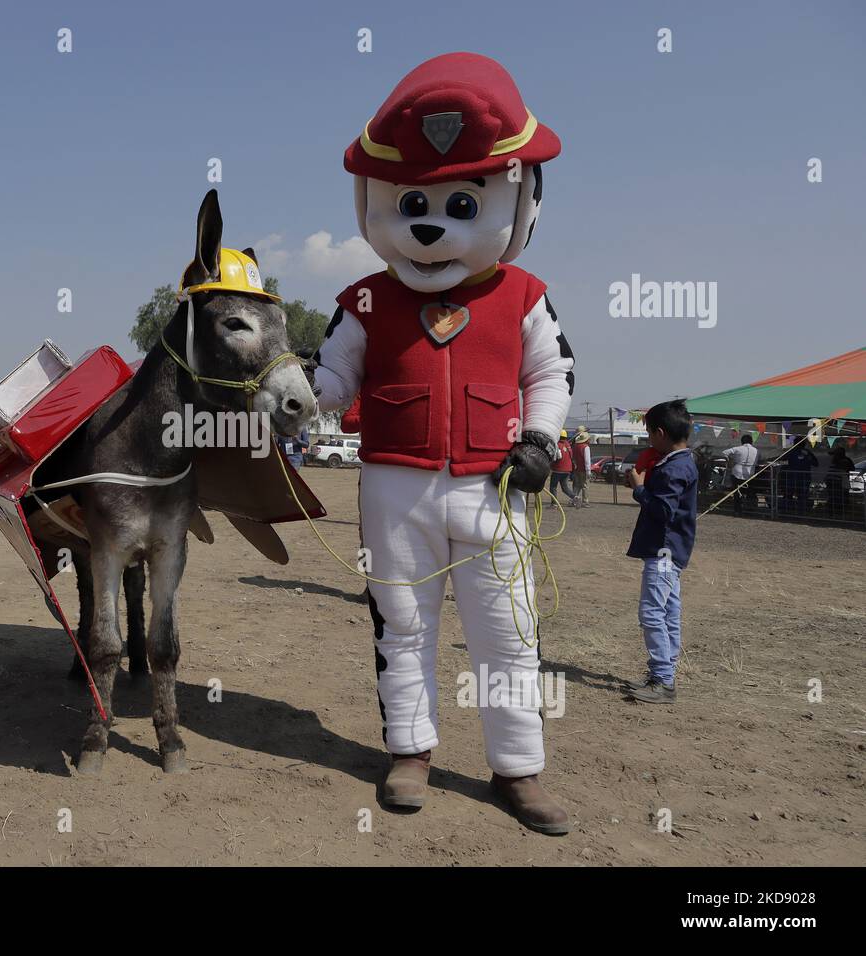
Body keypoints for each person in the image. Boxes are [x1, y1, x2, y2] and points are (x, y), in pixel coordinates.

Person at [312, 53, 573, 832]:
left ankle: (517, 767)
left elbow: (551, 374)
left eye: (464, 201)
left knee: (507, 630)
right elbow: (331, 383)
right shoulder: (362, 299)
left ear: (515, 197)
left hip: (495, 488)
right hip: (395, 484)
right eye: (414, 201)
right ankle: (409, 749)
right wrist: (285, 396)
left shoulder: (526, 295)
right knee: (402, 621)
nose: (431, 221)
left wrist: (541, 441)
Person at [625, 400, 698, 704]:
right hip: (672, 551)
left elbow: (663, 510)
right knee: (668, 613)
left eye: (649, 434)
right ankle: (663, 672)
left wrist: (640, 488)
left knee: (652, 613)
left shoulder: (674, 468)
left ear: (659, 432)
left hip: (663, 552)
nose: (649, 440)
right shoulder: (683, 462)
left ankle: (664, 680)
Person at [722, 434, 759, 515]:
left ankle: (737, 510)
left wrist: (729, 460)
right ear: (751, 442)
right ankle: (750, 510)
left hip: (737, 473)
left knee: (737, 493)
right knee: (750, 492)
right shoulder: (756, 450)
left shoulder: (738, 449)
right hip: (750, 474)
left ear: (742, 442)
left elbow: (724, 452)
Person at [782, 441, 817, 514]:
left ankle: (790, 512)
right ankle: (799, 512)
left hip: (795, 479)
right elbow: (815, 463)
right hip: (800, 479)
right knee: (797, 496)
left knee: (791, 496)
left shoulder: (792, 452)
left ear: (795, 443)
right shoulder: (794, 452)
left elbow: (816, 463)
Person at [548, 430, 575, 507]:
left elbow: (555, 457)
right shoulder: (568, 444)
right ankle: (574, 497)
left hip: (558, 469)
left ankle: (554, 504)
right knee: (565, 487)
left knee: (553, 487)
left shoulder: (556, 445)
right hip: (568, 470)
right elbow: (571, 456)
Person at [826, 445, 853, 519]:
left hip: (834, 480)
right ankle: (837, 512)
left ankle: (833, 512)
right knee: (839, 496)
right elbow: (851, 468)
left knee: (834, 496)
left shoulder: (839, 460)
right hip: (837, 480)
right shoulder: (844, 460)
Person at [570, 426, 592, 507]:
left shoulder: (575, 446)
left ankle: (573, 500)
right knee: (584, 486)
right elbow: (587, 460)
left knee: (576, 486)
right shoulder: (586, 447)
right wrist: (588, 471)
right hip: (583, 469)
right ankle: (585, 501)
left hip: (577, 469)